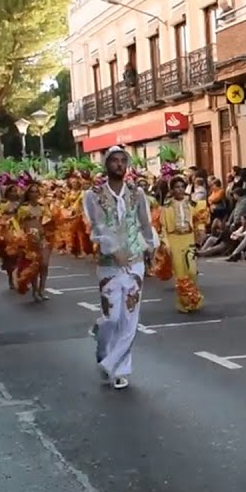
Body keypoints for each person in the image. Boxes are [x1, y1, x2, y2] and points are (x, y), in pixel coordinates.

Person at [82, 146, 159, 390]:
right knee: (111, 318)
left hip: (135, 262)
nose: (118, 165)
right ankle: (103, 345)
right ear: (106, 165)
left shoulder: (137, 194)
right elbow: (96, 226)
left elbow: (145, 222)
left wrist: (151, 247)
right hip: (109, 265)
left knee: (129, 319)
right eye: (114, 161)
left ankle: (117, 368)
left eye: (122, 161)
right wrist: (112, 248)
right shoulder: (93, 195)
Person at [160, 173, 205, 312]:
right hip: (174, 240)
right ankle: (184, 303)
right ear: (172, 190)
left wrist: (200, 234)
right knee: (180, 273)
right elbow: (162, 228)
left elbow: (199, 221)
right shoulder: (166, 207)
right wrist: (165, 243)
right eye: (176, 187)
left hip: (189, 238)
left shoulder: (193, 204)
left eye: (182, 187)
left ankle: (193, 298)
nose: (179, 189)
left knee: (191, 270)